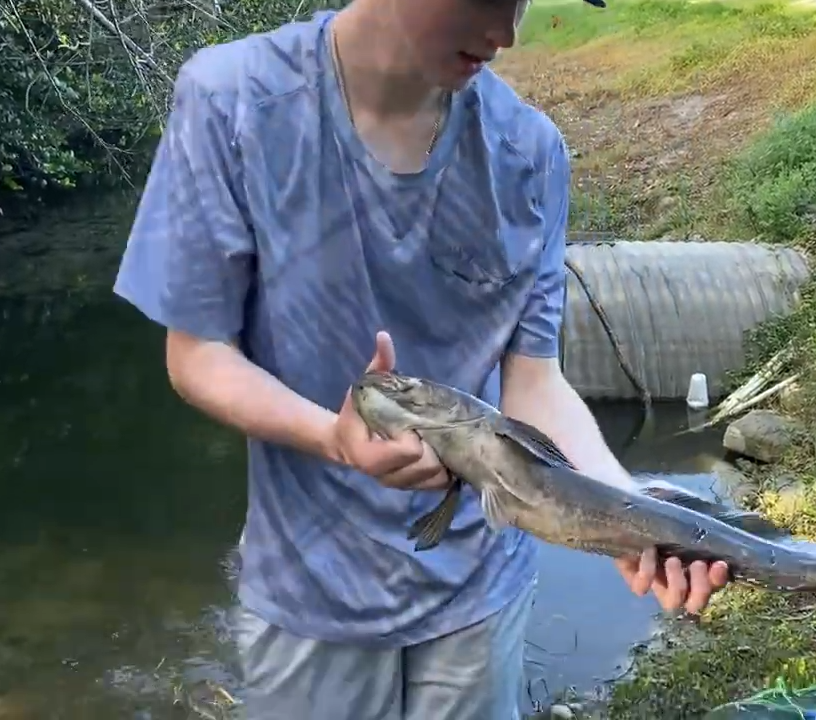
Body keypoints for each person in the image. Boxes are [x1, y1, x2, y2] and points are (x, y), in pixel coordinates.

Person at [112, 0, 730, 717]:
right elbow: (198, 355)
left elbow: (531, 379)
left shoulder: (530, 153)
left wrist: (626, 510)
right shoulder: (232, 102)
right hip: (308, 593)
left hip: (481, 586)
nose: (508, 30)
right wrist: (331, 439)